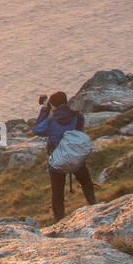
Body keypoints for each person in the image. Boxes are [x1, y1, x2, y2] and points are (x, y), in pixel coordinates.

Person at [32, 91, 96, 221]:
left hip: (58, 160)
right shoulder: (78, 117)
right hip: (76, 156)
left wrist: (45, 110)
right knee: (85, 181)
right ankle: (93, 204)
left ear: (53, 105)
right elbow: (79, 132)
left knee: (57, 192)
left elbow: (37, 130)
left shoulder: (51, 122)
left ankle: (59, 220)